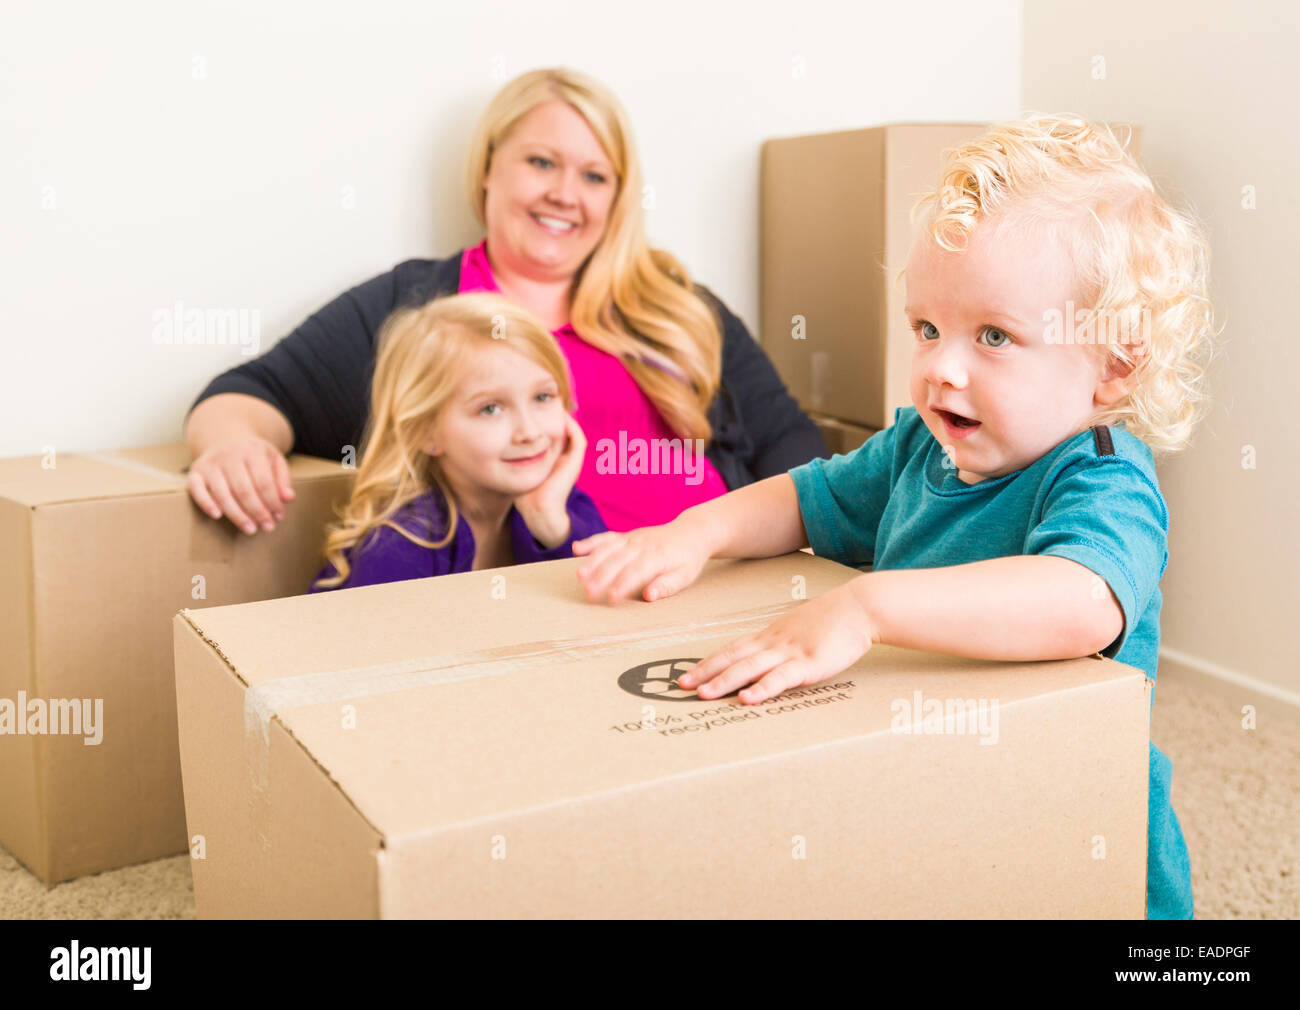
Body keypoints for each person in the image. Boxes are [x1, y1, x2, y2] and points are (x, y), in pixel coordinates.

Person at [572, 115, 1215, 920]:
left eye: (993, 336)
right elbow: (806, 496)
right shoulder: (919, 446)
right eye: (927, 329)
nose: (942, 367)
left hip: (1077, 831)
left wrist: (868, 607)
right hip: (930, 792)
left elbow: (1080, 603)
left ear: (1112, 367)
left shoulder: (1103, 477)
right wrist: (695, 531)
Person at [183, 67, 826, 537]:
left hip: (717, 590)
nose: (565, 194)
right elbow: (249, 393)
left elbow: (787, 442)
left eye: (594, 176)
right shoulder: (416, 309)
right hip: (536, 614)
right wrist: (233, 444)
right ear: (489, 168)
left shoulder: (680, 308)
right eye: (542, 163)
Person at [308, 293, 605, 591]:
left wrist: (551, 525)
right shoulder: (399, 547)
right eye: (490, 408)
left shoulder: (563, 505)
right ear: (425, 432)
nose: (529, 432)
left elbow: (605, 607)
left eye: (543, 397)